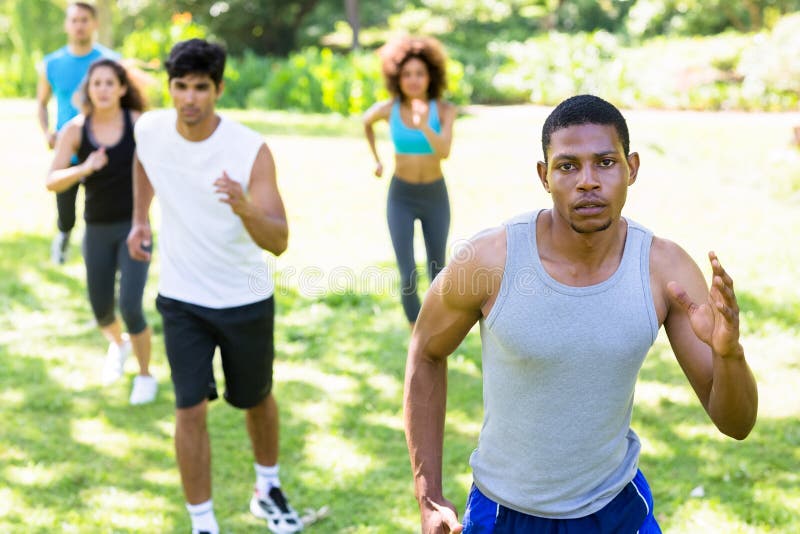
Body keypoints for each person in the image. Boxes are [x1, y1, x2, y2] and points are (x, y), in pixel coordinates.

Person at [403, 94, 758, 533]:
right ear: (543, 175)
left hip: (617, 509)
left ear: (632, 168)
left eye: (605, 163)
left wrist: (729, 354)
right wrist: (429, 494)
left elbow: (736, 423)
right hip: (506, 513)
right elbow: (425, 351)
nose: (588, 181)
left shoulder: (664, 270)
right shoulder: (489, 260)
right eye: (568, 166)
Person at [127, 39, 302, 534]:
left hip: (244, 297)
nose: (189, 99)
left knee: (256, 398)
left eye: (200, 88)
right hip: (181, 298)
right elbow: (143, 162)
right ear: (170, 88)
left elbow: (280, 241)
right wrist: (140, 219)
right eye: (180, 87)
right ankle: (203, 523)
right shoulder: (151, 129)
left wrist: (244, 205)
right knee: (188, 408)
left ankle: (267, 487)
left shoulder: (249, 149)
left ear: (218, 89)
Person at [46, 58, 157, 405]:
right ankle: (119, 345)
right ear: (89, 90)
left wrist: (145, 219)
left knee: (132, 306)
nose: (104, 89)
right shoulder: (76, 130)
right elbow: (51, 180)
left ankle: (145, 375)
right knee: (101, 310)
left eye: (111, 83)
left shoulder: (138, 124)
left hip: (134, 227)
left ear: (122, 89)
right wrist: (85, 168)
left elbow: (158, 170)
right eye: (98, 83)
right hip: (96, 229)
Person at [362, 35, 457, 327]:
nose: (413, 80)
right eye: (406, 74)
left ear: (431, 76)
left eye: (419, 74)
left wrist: (424, 125)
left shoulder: (443, 110)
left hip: (434, 196)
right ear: (397, 78)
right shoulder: (388, 109)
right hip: (401, 196)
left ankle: (435, 325)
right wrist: (376, 158)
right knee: (407, 272)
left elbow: (444, 152)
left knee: (437, 268)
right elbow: (366, 121)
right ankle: (416, 329)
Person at [38, 2, 119, 265]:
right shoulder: (51, 64)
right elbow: (41, 102)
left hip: (102, 148)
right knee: (66, 212)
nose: (79, 25)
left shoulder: (109, 62)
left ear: (94, 23)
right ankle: (63, 237)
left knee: (100, 211)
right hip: (68, 148)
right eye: (74, 20)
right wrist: (47, 132)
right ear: (66, 25)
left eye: (85, 20)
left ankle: (98, 254)